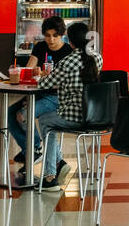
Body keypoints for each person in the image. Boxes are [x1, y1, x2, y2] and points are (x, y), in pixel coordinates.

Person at [29, 21, 102, 191]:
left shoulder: (67, 62)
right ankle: (57, 164)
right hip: (97, 115)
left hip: (75, 116)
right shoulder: (98, 58)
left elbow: (44, 85)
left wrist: (41, 76)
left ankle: (50, 176)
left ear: (70, 41)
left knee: (45, 121)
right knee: (49, 122)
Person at [9, 16, 72, 167]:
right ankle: (32, 148)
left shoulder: (68, 51)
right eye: (47, 35)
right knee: (10, 113)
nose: (51, 40)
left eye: (55, 36)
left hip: (57, 97)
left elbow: (66, 82)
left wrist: (49, 77)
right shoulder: (40, 47)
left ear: (62, 35)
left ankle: (33, 149)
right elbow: (29, 69)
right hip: (38, 94)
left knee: (23, 115)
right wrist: (33, 71)